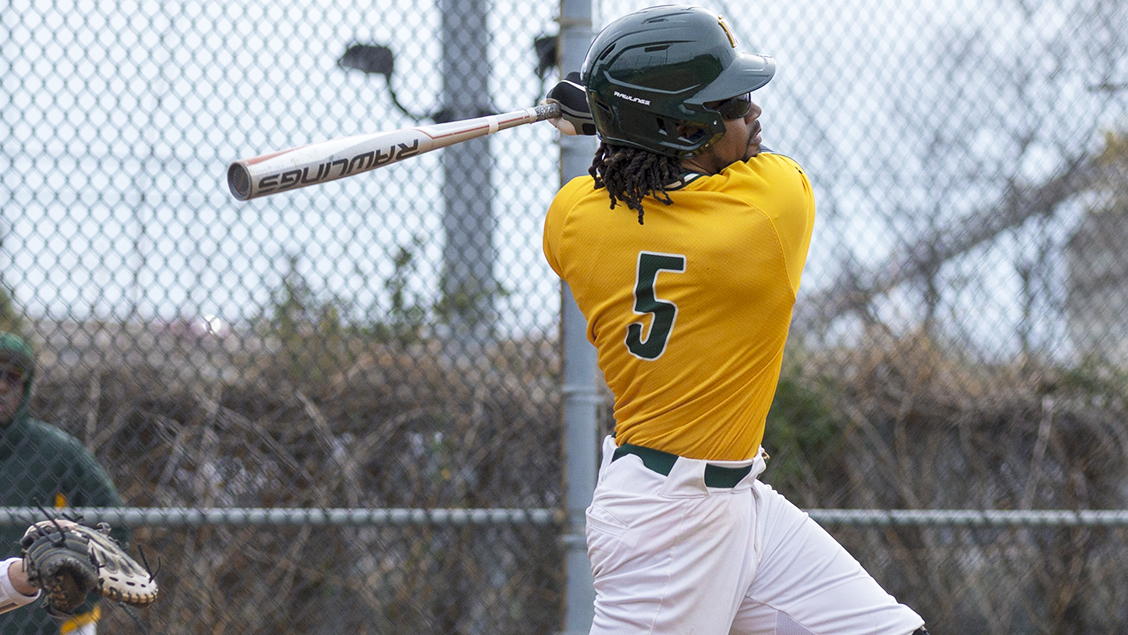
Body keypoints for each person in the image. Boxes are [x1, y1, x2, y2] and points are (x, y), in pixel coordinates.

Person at [542, 6, 930, 635]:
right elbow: (748, 170)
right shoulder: (769, 215)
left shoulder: (573, 223)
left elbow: (606, 186)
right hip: (667, 528)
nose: (753, 112)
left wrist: (615, 125)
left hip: (732, 501)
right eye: (729, 102)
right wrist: (604, 117)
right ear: (681, 126)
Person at [0, 332, 128, 635]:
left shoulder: (55, 450)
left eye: (12, 377)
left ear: (25, 387)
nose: (2, 386)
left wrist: (78, 607)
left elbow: (115, 524)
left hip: (35, 624)